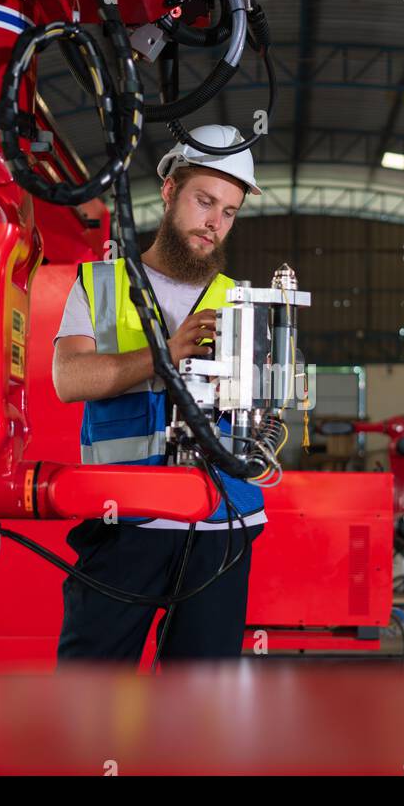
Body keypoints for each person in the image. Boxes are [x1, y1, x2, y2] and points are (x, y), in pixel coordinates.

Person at [52, 124, 265, 664]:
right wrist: (165, 355)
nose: (214, 223)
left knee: (201, 701)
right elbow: (68, 379)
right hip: (124, 519)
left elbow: (263, 413)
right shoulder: (100, 285)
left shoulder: (240, 300)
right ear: (169, 190)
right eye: (204, 201)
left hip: (219, 520)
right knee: (91, 686)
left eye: (229, 212)